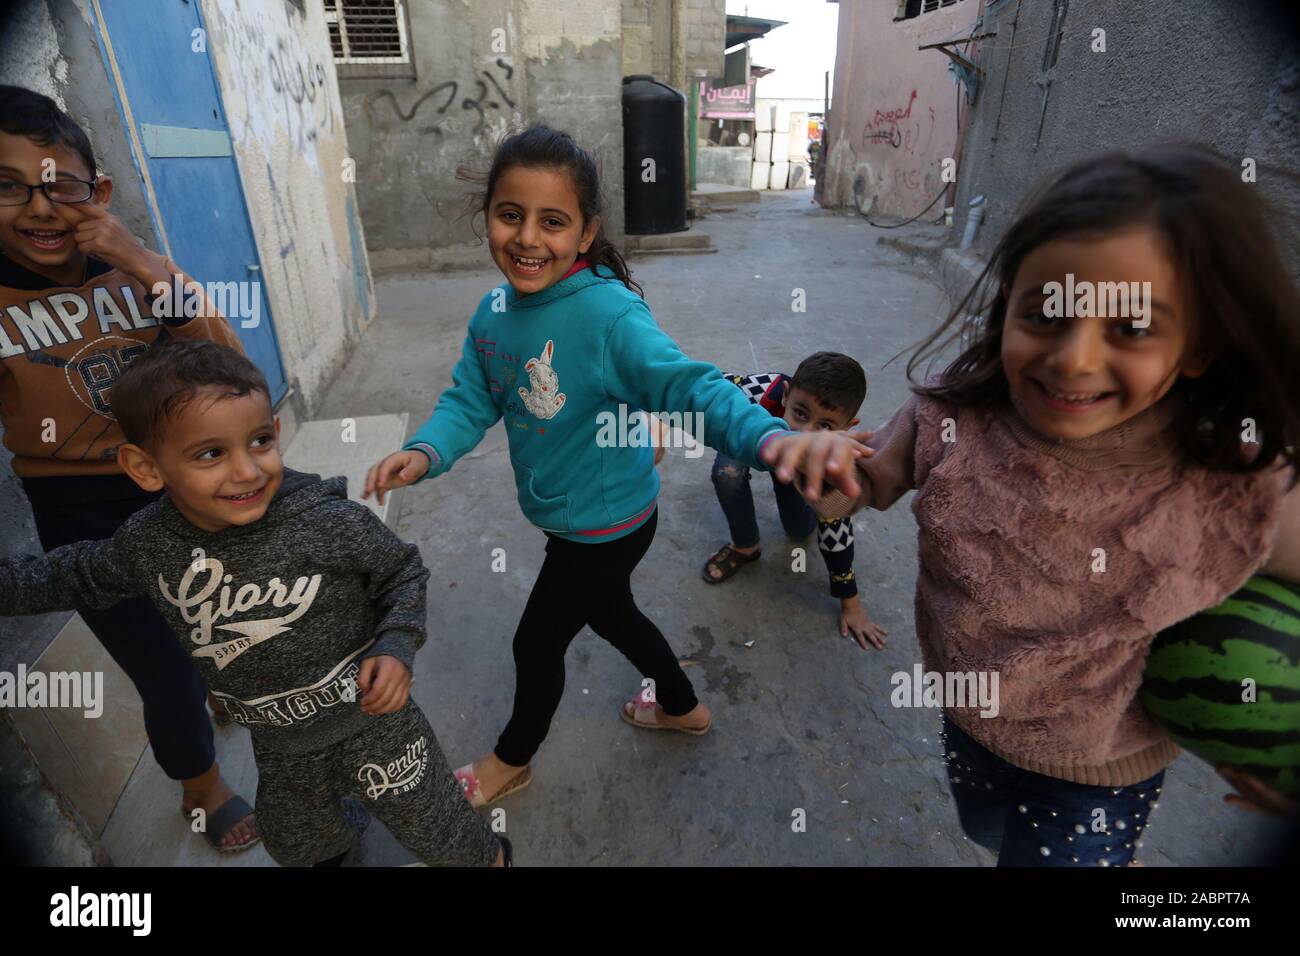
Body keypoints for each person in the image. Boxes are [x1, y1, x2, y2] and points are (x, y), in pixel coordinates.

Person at [762, 144, 1300, 865]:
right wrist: (826, 470)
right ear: (1006, 304)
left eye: (1131, 328)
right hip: (968, 718)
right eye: (1047, 311)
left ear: (1197, 346)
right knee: (984, 831)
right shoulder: (953, 415)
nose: (1074, 357)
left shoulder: (1236, 483)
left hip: (1102, 769)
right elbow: (864, 488)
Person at [362, 125, 821, 807]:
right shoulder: (493, 313)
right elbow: (471, 395)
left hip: (605, 524)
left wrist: (771, 439)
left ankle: (509, 760)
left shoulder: (606, 314)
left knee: (536, 645)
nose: (526, 238)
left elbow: (688, 386)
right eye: (509, 215)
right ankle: (682, 705)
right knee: (614, 617)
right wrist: (426, 450)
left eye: (553, 222)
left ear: (585, 233)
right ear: (486, 213)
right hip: (571, 517)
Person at [0, 341, 509, 867]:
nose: (247, 471)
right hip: (281, 749)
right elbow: (70, 575)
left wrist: (398, 644)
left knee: (446, 837)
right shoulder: (148, 546)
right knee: (304, 848)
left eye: (259, 441)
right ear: (146, 468)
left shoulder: (325, 522)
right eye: (210, 453)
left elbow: (402, 572)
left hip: (379, 729)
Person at [0, 85, 255, 850]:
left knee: (209, 624)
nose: (41, 209)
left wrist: (139, 259)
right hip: (76, 513)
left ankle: (214, 688)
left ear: (99, 192)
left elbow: (226, 365)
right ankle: (202, 788)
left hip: (175, 494)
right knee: (161, 666)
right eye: (8, 186)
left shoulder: (138, 275)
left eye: (61, 186)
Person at [703, 352, 888, 650]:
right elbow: (710, 387)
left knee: (800, 530)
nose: (805, 434)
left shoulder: (833, 462)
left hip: (798, 471)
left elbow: (836, 531)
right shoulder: (759, 391)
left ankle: (790, 487)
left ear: (847, 428)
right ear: (786, 396)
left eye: (825, 426)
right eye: (800, 414)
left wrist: (850, 603)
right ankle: (745, 544)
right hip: (758, 444)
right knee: (728, 472)